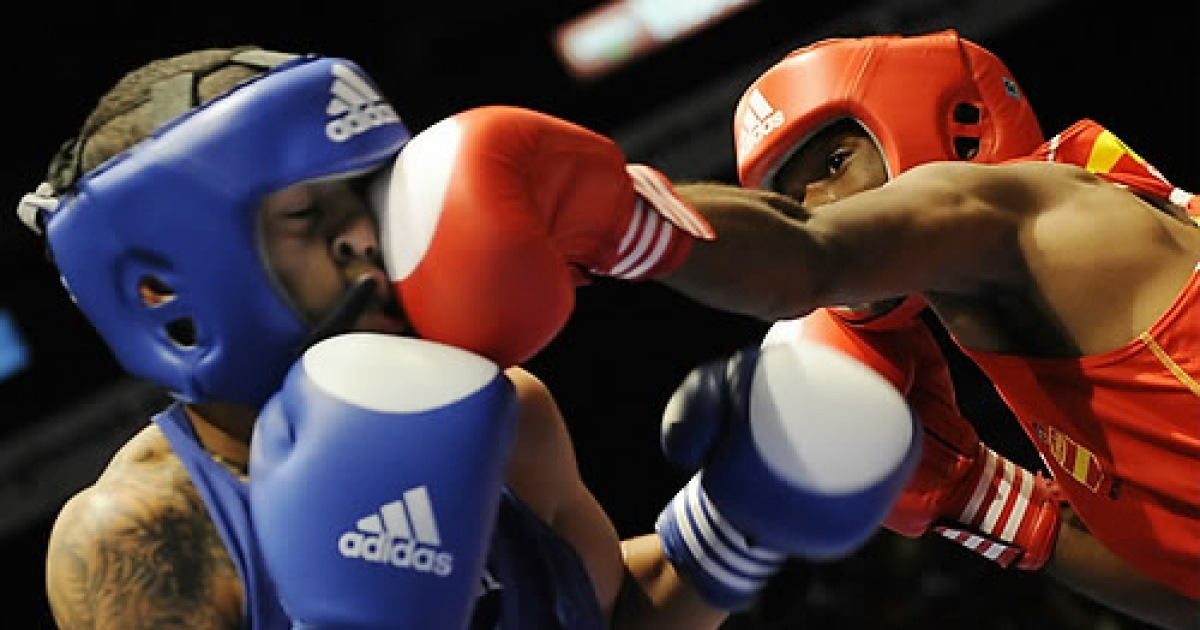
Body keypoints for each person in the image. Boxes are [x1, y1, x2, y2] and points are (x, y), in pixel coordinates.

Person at [20, 46, 919, 629]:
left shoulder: (507, 409)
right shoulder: (141, 537)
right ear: (168, 287)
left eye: (371, 191)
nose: (367, 235)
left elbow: (610, 616)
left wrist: (732, 528)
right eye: (308, 213)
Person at [666, 30, 1200, 629]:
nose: (817, 205)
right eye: (792, 199)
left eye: (836, 163)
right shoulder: (1013, 306)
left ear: (957, 128)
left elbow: (811, 255)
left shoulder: (1030, 214)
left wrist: (615, 210)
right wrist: (975, 495)